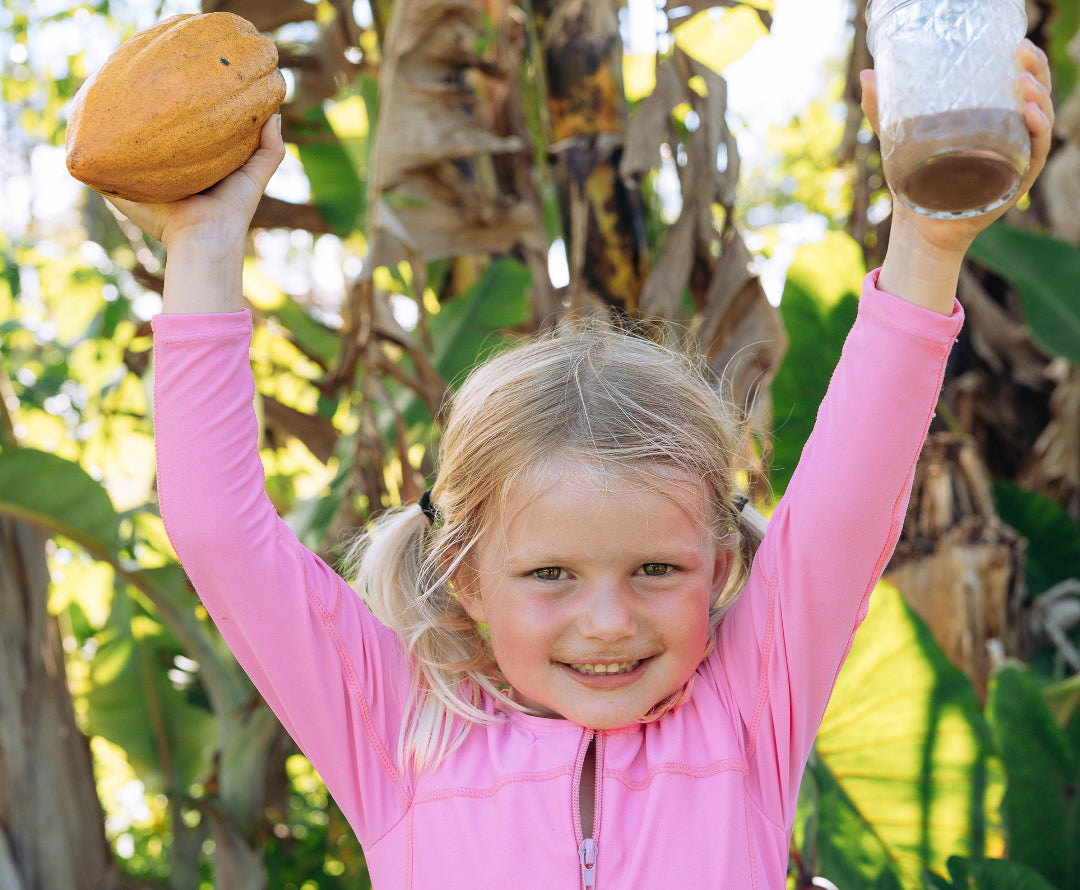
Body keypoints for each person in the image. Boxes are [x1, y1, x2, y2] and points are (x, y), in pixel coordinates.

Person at [110, 43, 1053, 889]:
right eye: (550, 574)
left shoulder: (747, 713)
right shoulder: (398, 735)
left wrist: (927, 244)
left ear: (722, 567)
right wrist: (201, 244)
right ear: (467, 575)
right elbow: (217, 531)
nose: (607, 623)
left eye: (656, 569)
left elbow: (851, 500)